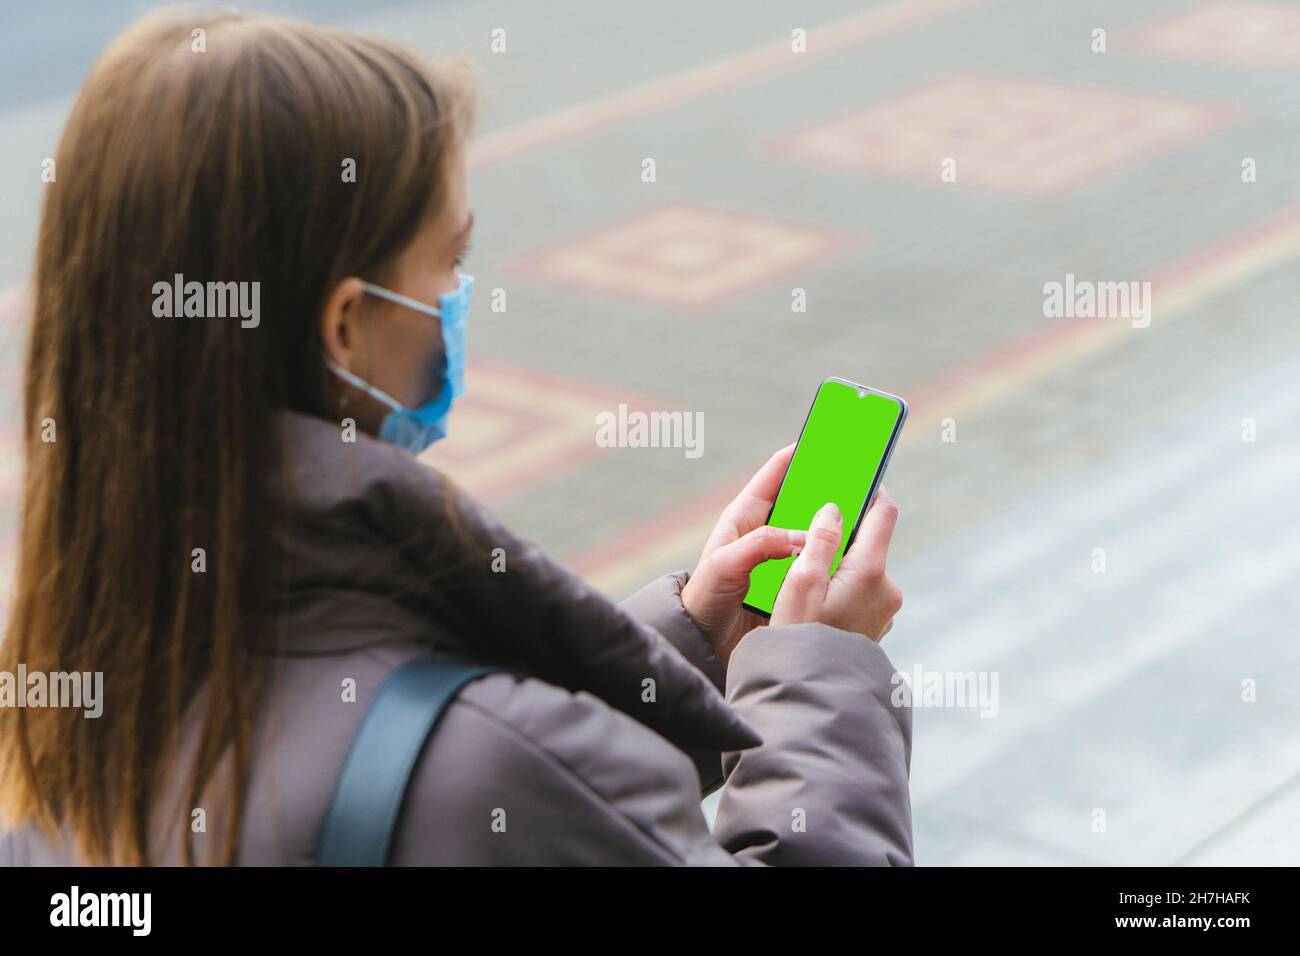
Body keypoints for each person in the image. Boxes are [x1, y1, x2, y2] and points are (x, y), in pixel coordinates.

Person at [0, 6, 910, 866]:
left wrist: (687, 648)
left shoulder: (52, 695)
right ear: (346, 326)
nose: (461, 300)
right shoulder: (491, 772)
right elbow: (498, 778)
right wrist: (822, 679)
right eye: (452, 260)